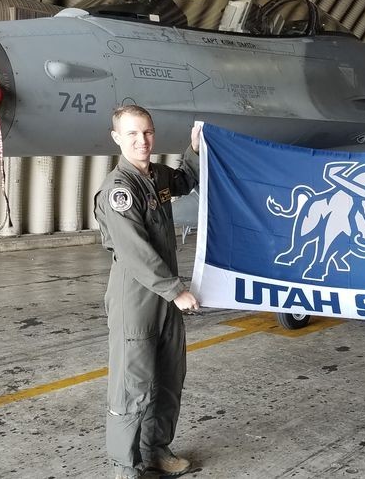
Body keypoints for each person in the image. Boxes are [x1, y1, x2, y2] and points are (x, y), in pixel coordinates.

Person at [94, 104, 202, 479]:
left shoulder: (156, 177)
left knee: (169, 376)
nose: (142, 141)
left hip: (166, 297)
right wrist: (176, 290)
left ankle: (156, 450)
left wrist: (196, 150)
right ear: (117, 138)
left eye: (148, 132)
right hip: (137, 297)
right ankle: (124, 466)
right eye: (133, 134)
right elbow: (135, 252)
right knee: (132, 386)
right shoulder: (118, 190)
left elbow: (185, 180)